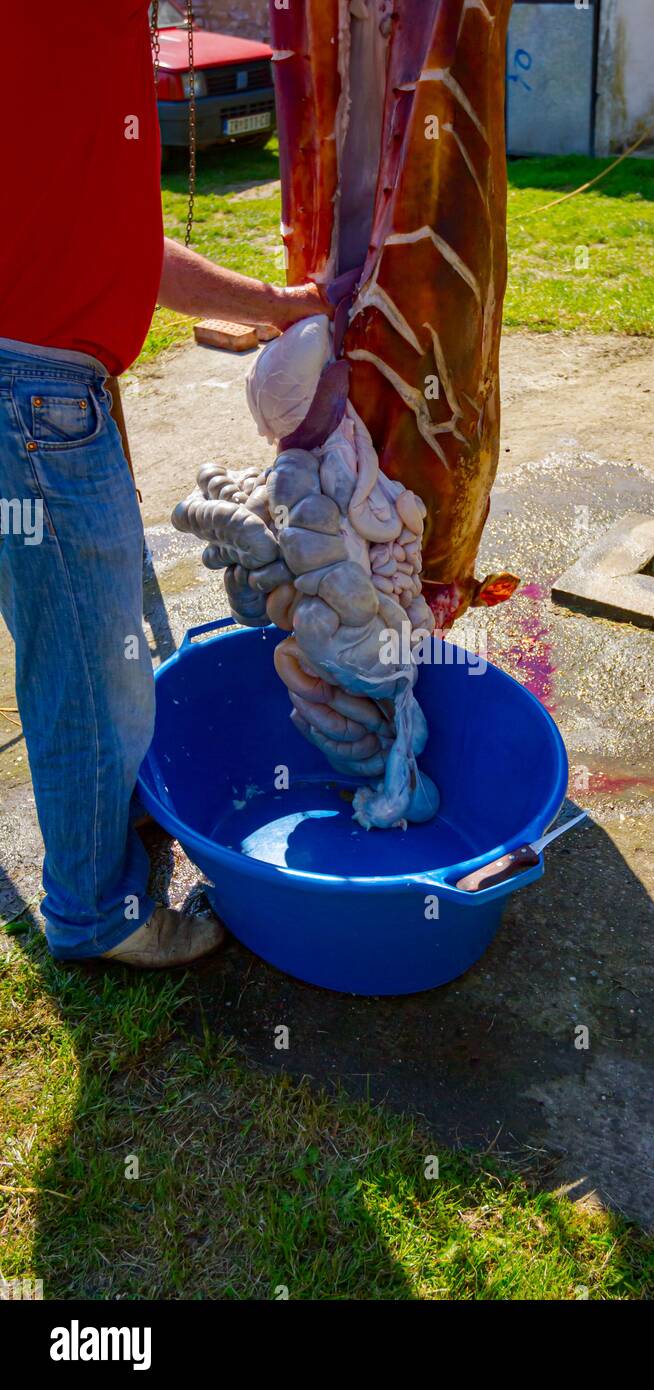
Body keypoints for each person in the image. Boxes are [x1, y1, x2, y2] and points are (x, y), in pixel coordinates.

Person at [0, 2, 326, 967]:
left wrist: (271, 304)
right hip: (38, 398)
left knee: (77, 643)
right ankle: (97, 914)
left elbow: (128, 252)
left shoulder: (88, 49)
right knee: (92, 674)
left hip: (45, 391)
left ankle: (119, 821)